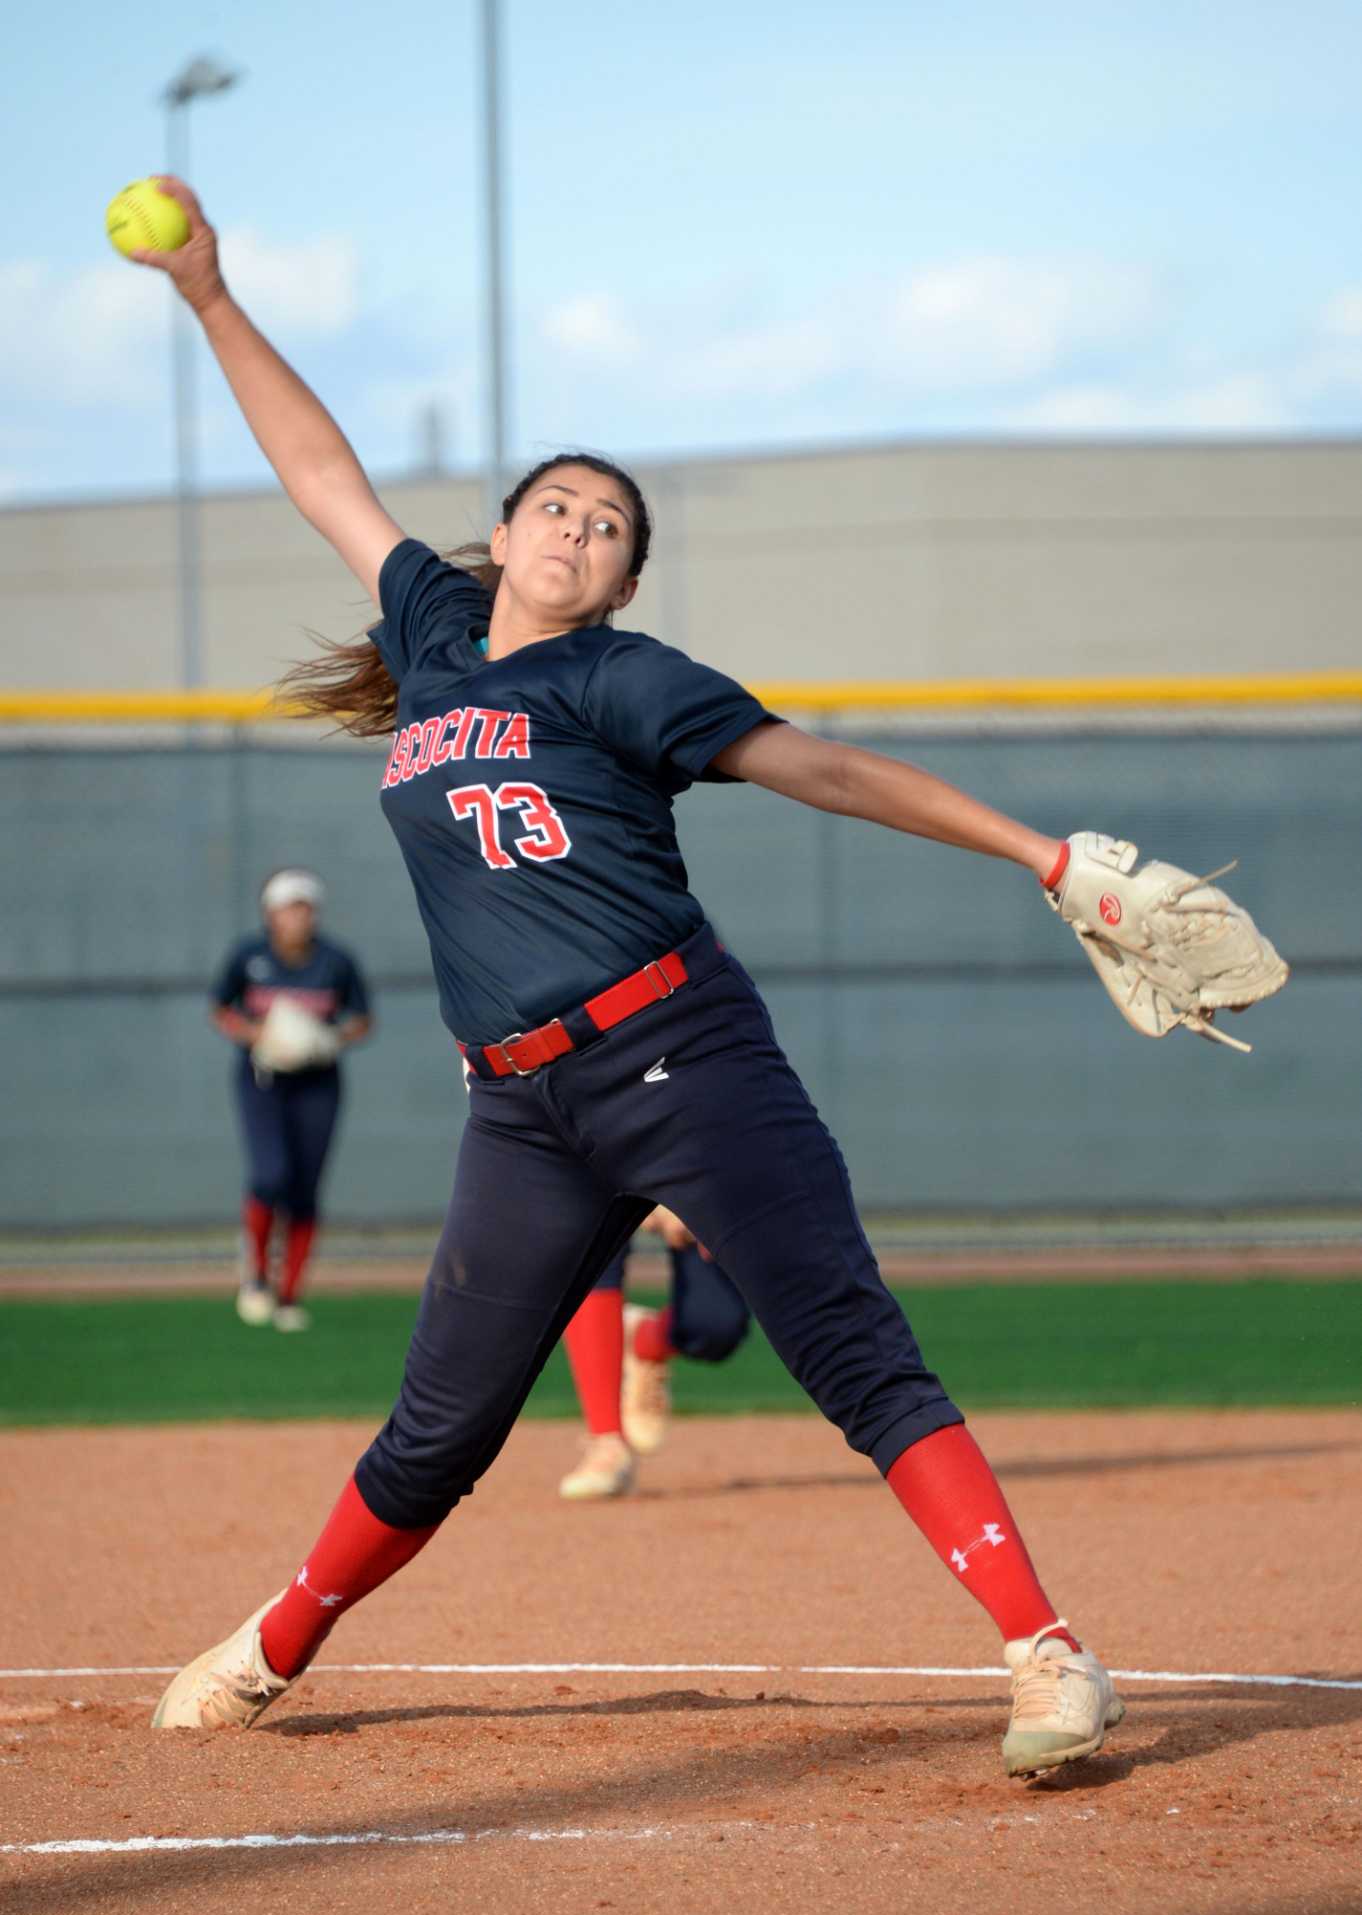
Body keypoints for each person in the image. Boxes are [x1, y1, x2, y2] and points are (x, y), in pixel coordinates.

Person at [141, 180, 1124, 1779]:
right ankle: (271, 1647)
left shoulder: (626, 677)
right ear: (505, 534)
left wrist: (1040, 854)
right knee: (439, 1430)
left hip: (680, 1056)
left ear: (620, 584)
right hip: (520, 1111)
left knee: (847, 1350)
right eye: (557, 506)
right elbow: (321, 472)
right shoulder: (434, 630)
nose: (577, 529)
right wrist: (208, 296)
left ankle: (1050, 1656)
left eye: (608, 527)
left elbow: (825, 770)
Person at [211, 867, 372, 1332]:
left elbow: (362, 1018)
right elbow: (220, 1007)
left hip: (318, 1081)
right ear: (271, 914)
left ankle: (289, 1296)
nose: (297, 917)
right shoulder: (250, 956)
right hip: (263, 1078)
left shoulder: (335, 961)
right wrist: (254, 1033)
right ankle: (257, 1274)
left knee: (304, 1188)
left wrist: (329, 1039)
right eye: (288, 908)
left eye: (304, 907)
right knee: (270, 1175)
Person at [559, 1205, 751, 1500]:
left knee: (716, 1325)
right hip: (602, 1184)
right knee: (591, 1228)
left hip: (692, 1185)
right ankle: (607, 1443)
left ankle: (643, 1342)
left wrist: (683, 1196)